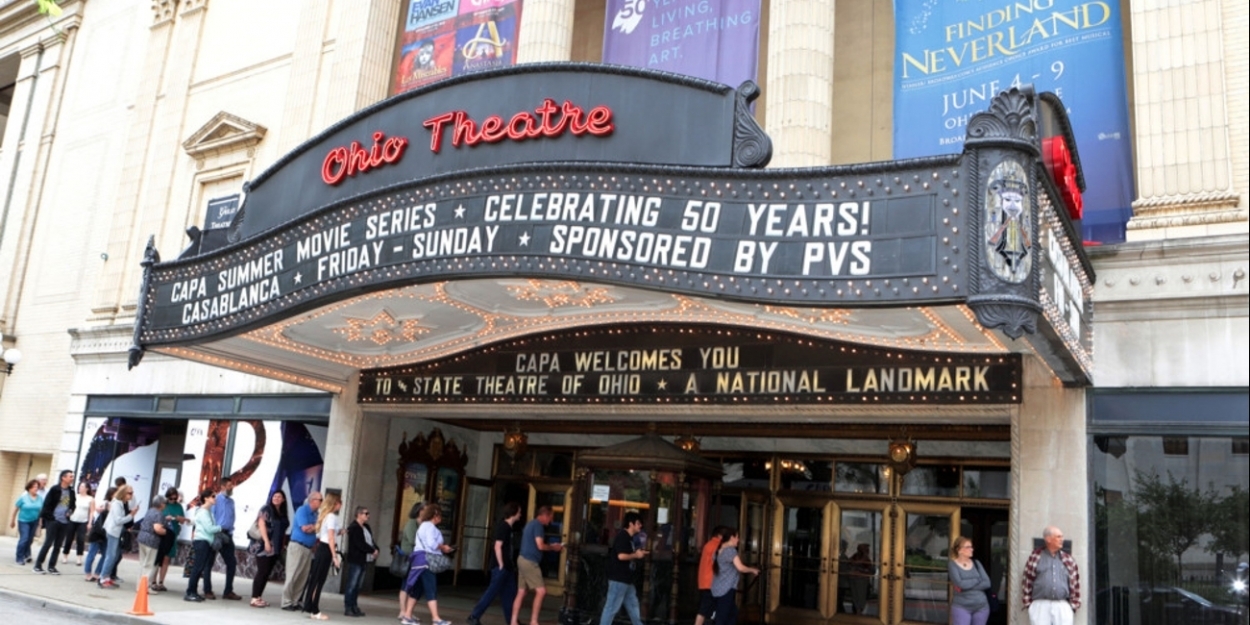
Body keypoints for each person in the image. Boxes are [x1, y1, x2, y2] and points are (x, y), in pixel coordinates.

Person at [467, 502, 523, 625]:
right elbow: (498, 546)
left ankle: (512, 620)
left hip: (507, 568)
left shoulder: (507, 527)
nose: (520, 514)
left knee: (509, 594)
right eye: (519, 512)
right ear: (513, 513)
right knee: (493, 592)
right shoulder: (504, 527)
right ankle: (474, 616)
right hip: (502, 567)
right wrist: (501, 564)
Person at [401, 503, 454, 625]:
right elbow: (431, 544)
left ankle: (407, 616)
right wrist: (443, 547)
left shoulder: (423, 526)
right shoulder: (430, 527)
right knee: (431, 589)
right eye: (440, 514)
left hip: (419, 561)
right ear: (435, 515)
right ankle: (436, 618)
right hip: (427, 561)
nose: (441, 517)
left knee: (417, 590)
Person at [510, 505, 563, 625]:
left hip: (522, 559)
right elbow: (540, 545)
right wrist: (553, 547)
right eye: (550, 517)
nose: (551, 521)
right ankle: (534, 621)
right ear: (545, 515)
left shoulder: (530, 524)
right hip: (530, 561)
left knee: (521, 592)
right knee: (541, 591)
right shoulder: (538, 526)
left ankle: (513, 621)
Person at [1022, 525, 1080, 625]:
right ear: (1048, 539)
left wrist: (1073, 606)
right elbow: (1027, 581)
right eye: (1058, 537)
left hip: (1062, 605)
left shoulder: (1068, 559)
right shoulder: (1035, 557)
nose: (1062, 539)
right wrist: (1029, 604)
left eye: (1062, 536)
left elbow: (1075, 583)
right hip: (1040, 605)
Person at [599, 511, 649, 625]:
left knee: (633, 605)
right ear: (631, 524)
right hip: (619, 579)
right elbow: (621, 556)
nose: (640, 525)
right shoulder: (623, 536)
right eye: (638, 523)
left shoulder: (629, 538)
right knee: (611, 608)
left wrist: (637, 553)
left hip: (625, 580)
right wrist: (636, 555)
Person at [300, 491, 342, 620]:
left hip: (322, 549)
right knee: (319, 580)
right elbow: (330, 537)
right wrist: (335, 556)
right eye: (340, 502)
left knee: (317, 579)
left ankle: (311, 606)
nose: (341, 505)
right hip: (325, 550)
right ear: (335, 503)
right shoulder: (331, 517)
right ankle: (314, 609)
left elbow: (328, 535)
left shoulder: (326, 516)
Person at [711, 527, 761, 625]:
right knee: (722, 618)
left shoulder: (719, 549)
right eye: (737, 537)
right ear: (731, 537)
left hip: (717, 588)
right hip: (725, 590)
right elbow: (740, 567)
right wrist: (753, 570)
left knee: (732, 613)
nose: (738, 540)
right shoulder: (730, 550)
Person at [283, 490, 323, 611]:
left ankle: (295, 601)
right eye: (320, 500)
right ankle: (286, 602)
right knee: (293, 574)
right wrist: (315, 526)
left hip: (308, 548)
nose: (322, 502)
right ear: (312, 500)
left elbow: (316, 529)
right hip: (297, 546)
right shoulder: (302, 510)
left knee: (303, 576)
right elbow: (305, 528)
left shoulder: (316, 514)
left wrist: (314, 527)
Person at [249, 489, 289, 608]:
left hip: (276, 547)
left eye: (279, 496)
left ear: (283, 500)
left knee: (267, 573)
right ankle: (254, 598)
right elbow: (261, 524)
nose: (276, 498)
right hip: (263, 546)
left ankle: (259, 597)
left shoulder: (281, 512)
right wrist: (266, 542)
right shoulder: (266, 509)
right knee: (262, 571)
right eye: (274, 496)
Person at [33, 469, 76, 574]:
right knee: (48, 543)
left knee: (58, 545)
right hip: (53, 520)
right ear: (63, 478)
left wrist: (70, 511)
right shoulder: (54, 489)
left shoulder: (71, 491)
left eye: (72, 476)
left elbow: (73, 505)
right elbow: (46, 505)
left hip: (64, 521)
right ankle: (38, 565)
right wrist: (50, 518)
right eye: (70, 476)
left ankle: (52, 566)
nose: (72, 478)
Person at [184, 489, 220, 601]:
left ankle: (193, 592)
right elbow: (209, 528)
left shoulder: (205, 511)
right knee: (198, 568)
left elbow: (195, 521)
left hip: (204, 541)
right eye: (213, 496)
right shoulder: (204, 512)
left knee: (199, 568)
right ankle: (190, 592)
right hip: (202, 541)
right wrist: (221, 527)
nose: (215, 498)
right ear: (206, 498)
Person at [344, 505, 379, 617]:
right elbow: (360, 544)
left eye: (368, 513)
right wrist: (372, 550)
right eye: (366, 513)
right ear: (359, 514)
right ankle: (348, 606)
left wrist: (376, 549)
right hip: (356, 559)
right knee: (352, 584)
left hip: (364, 560)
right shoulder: (353, 527)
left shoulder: (366, 527)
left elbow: (370, 541)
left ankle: (354, 606)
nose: (368, 516)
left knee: (358, 585)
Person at [210, 477, 242, 600]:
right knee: (209, 562)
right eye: (229, 485)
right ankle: (207, 589)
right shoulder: (216, 500)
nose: (231, 487)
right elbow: (211, 516)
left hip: (227, 535)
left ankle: (228, 590)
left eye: (231, 485)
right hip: (216, 533)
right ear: (222, 486)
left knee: (232, 563)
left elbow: (232, 516)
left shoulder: (231, 502)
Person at [948, 536, 992, 625]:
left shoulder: (977, 563)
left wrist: (967, 584)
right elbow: (960, 584)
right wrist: (977, 580)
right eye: (968, 547)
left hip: (982, 607)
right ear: (959, 550)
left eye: (971, 547)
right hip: (962, 607)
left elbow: (987, 583)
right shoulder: (952, 565)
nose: (971, 549)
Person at [98, 483, 135, 588]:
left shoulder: (122, 503)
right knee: (111, 555)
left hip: (116, 531)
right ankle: (102, 578)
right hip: (113, 531)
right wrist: (131, 515)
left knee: (114, 555)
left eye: (132, 493)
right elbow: (118, 520)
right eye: (130, 493)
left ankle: (107, 577)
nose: (131, 495)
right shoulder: (117, 503)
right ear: (123, 493)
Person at [693, 525, 726, 625]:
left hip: (705, 582)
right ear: (720, 536)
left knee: (705, 609)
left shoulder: (709, 544)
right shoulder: (717, 546)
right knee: (704, 609)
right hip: (711, 582)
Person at [155, 487, 187, 592]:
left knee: (166, 558)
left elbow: (183, 521)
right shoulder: (164, 505)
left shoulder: (179, 507)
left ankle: (161, 582)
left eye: (175, 498)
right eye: (171, 499)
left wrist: (177, 518)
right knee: (158, 557)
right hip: (162, 533)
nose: (173, 501)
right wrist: (166, 518)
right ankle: (153, 581)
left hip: (172, 534)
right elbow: (157, 517)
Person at [137, 495, 169, 591]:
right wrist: (166, 532)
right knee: (150, 565)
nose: (165, 505)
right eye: (165, 503)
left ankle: (139, 586)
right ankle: (145, 587)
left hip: (142, 538)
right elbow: (158, 529)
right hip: (152, 541)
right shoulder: (159, 514)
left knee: (142, 563)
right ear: (161, 504)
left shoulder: (150, 511)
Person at [397, 501, 423, 616]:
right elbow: (413, 540)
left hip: (417, 558)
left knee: (414, 585)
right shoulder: (412, 523)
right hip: (409, 557)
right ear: (419, 511)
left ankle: (408, 611)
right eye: (425, 509)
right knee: (406, 584)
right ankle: (403, 611)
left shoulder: (422, 524)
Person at [83, 486, 114, 581]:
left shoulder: (115, 504)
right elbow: (97, 510)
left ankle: (97, 573)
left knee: (105, 555)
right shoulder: (104, 503)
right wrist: (103, 508)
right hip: (98, 532)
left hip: (106, 533)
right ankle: (87, 573)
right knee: (92, 553)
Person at [10, 479, 43, 565]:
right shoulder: (23, 498)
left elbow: (40, 511)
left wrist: (40, 523)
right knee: (24, 538)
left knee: (29, 539)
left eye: (37, 487)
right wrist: (12, 520)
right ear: (29, 488)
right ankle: (19, 557)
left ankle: (26, 554)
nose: (36, 488)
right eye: (34, 487)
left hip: (34, 521)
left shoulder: (40, 498)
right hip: (23, 521)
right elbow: (15, 509)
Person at [62, 482, 93, 566]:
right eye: (79, 486)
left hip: (83, 521)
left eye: (82, 486)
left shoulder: (90, 499)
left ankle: (79, 557)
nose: (80, 488)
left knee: (80, 539)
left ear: (87, 488)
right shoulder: (75, 496)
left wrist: (90, 523)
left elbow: (91, 512)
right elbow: (66, 505)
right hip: (72, 520)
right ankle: (65, 555)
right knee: (69, 538)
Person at [836, 540, 851, 613]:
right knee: (839, 600)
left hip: (841, 582)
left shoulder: (842, 557)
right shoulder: (843, 557)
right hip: (842, 582)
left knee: (839, 600)